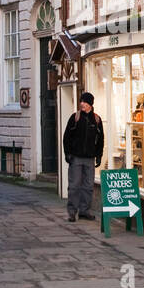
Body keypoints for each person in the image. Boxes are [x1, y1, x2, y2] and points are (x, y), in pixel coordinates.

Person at [63, 91, 103, 223]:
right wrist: (67, 153)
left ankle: (85, 211)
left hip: (90, 158)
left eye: (85, 102)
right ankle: (72, 212)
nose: (82, 104)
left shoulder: (96, 120)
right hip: (76, 157)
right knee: (74, 186)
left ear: (90, 104)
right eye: (81, 101)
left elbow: (101, 139)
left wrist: (99, 156)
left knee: (88, 186)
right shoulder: (75, 118)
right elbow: (66, 137)